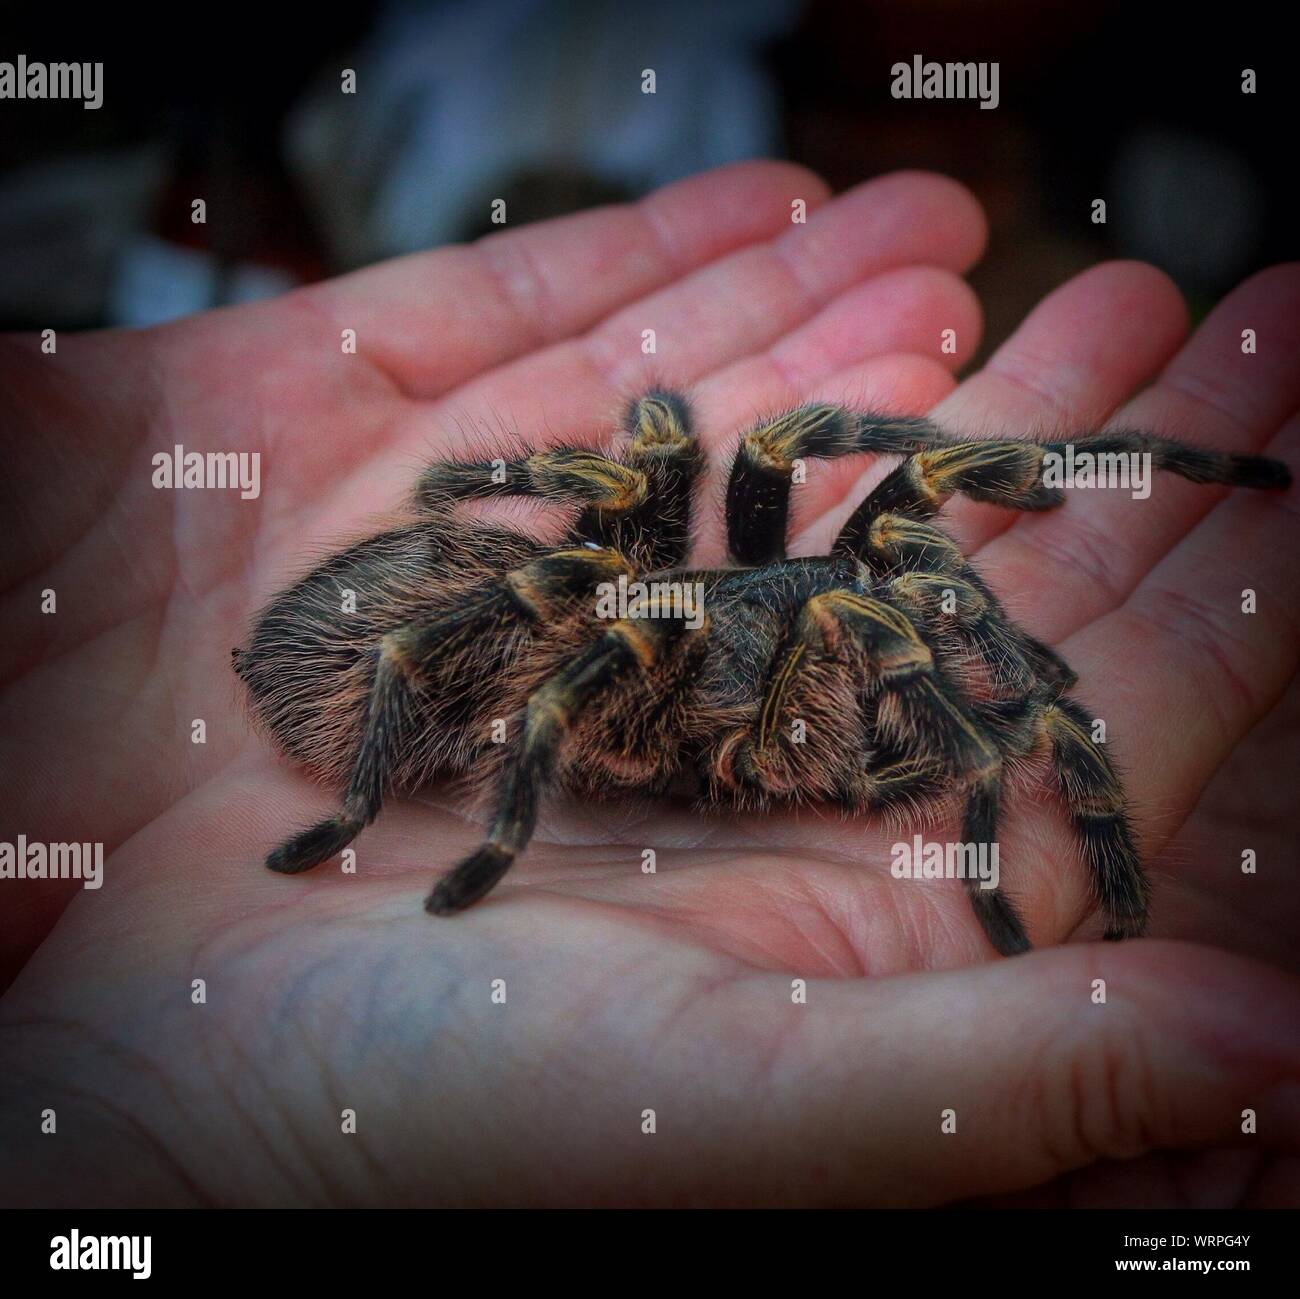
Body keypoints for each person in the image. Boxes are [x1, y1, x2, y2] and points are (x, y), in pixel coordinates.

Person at [2, 161, 1297, 1207]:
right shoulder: (635, 627)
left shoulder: (841, 618)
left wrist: (1023, 792)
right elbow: (635, 569)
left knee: (830, 494)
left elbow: (876, 568)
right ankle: (398, 801)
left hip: (553, 625)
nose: (899, 622)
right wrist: (405, 817)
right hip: (371, 668)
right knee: (636, 571)